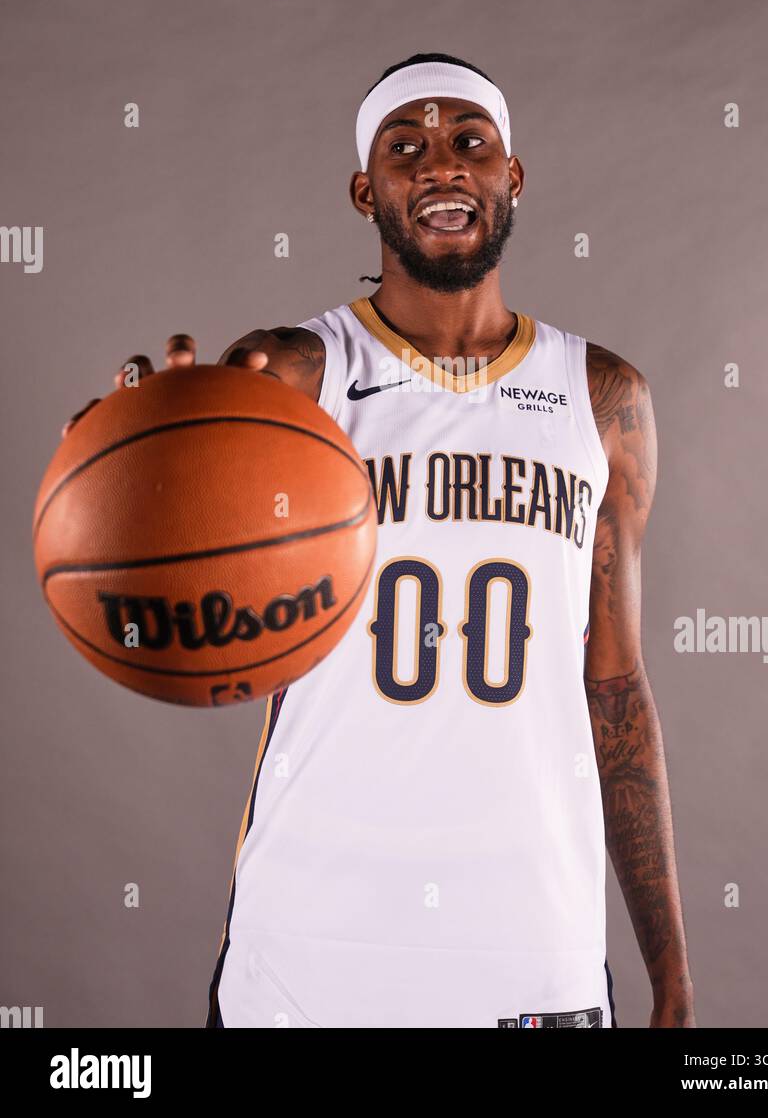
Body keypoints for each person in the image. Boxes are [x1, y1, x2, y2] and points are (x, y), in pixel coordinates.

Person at [64, 53, 695, 1029]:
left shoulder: (601, 397)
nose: (441, 165)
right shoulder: (294, 374)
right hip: (307, 954)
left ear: (510, 176)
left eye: (467, 143)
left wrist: (673, 975)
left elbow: (613, 688)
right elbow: (170, 566)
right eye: (406, 149)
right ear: (367, 191)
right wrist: (122, 472)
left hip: (534, 955)